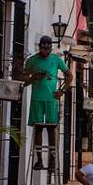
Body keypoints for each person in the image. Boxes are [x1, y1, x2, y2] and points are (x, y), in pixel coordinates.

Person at [18, 36, 68, 177]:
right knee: (38, 128)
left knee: (52, 128)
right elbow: (24, 80)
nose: (45, 50)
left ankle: (52, 160)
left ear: (50, 48)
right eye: (42, 47)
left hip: (52, 99)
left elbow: (69, 75)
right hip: (37, 99)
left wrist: (62, 90)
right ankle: (39, 160)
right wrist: (34, 77)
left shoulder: (56, 60)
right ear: (39, 46)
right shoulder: (32, 61)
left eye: (47, 48)